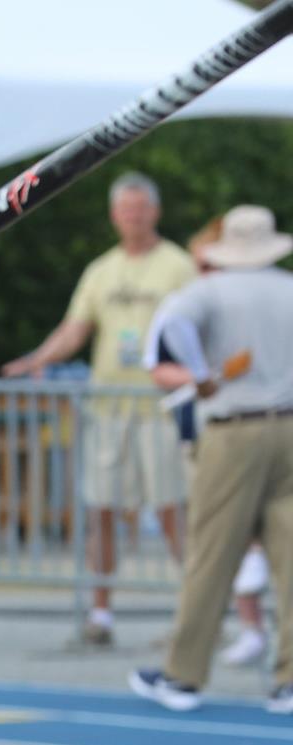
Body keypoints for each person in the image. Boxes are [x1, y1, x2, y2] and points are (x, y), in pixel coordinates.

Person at [2, 173, 197, 647]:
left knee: (172, 510)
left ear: (155, 212)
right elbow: (76, 329)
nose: (133, 217)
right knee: (102, 510)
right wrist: (36, 360)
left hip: (161, 408)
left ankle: (191, 617)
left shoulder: (178, 266)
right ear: (114, 216)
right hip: (109, 406)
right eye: (125, 210)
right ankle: (101, 613)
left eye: (141, 209)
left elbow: (198, 327)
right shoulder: (101, 270)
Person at [129, 205, 293, 716]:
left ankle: (183, 675)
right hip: (291, 424)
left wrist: (200, 373)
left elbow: (172, 326)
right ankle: (289, 681)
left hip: (234, 429)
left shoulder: (209, 290)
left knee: (211, 556)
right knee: (291, 560)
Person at [146, 217, 273, 671]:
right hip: (206, 427)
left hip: (238, 429)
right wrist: (200, 378)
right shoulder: (196, 301)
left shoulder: (228, 299)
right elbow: (159, 362)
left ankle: (191, 668)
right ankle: (245, 631)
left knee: (228, 545)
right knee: (222, 542)